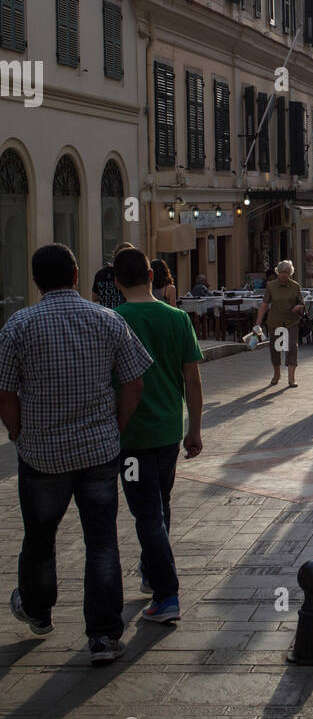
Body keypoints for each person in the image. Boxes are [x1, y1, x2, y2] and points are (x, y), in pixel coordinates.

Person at [0, 243, 151, 665]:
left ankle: (38, 611)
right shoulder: (106, 320)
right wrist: (116, 427)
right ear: (76, 274)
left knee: (40, 536)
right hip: (98, 452)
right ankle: (103, 636)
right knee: (101, 541)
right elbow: (135, 382)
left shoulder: (18, 326)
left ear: (35, 280)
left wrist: (16, 430)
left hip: (42, 453)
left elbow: (5, 391)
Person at [114, 248, 203, 624]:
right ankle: (152, 574)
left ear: (116, 282)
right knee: (160, 504)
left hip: (131, 437)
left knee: (145, 511)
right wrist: (194, 429)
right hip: (169, 431)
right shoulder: (178, 318)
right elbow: (192, 380)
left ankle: (167, 595)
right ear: (152, 276)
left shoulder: (114, 320)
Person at [256, 260, 306, 387]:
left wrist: (298, 307)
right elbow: (264, 304)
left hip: (291, 321)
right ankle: (276, 374)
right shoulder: (271, 286)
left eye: (287, 272)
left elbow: (302, 303)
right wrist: (258, 323)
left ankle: (291, 378)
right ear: (277, 272)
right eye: (282, 272)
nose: (284, 275)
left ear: (290, 273)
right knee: (275, 348)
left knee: (291, 347)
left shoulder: (295, 286)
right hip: (275, 321)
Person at [91, 241, 135, 309]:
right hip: (124, 313)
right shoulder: (130, 274)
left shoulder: (101, 273)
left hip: (106, 313)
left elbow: (94, 297)